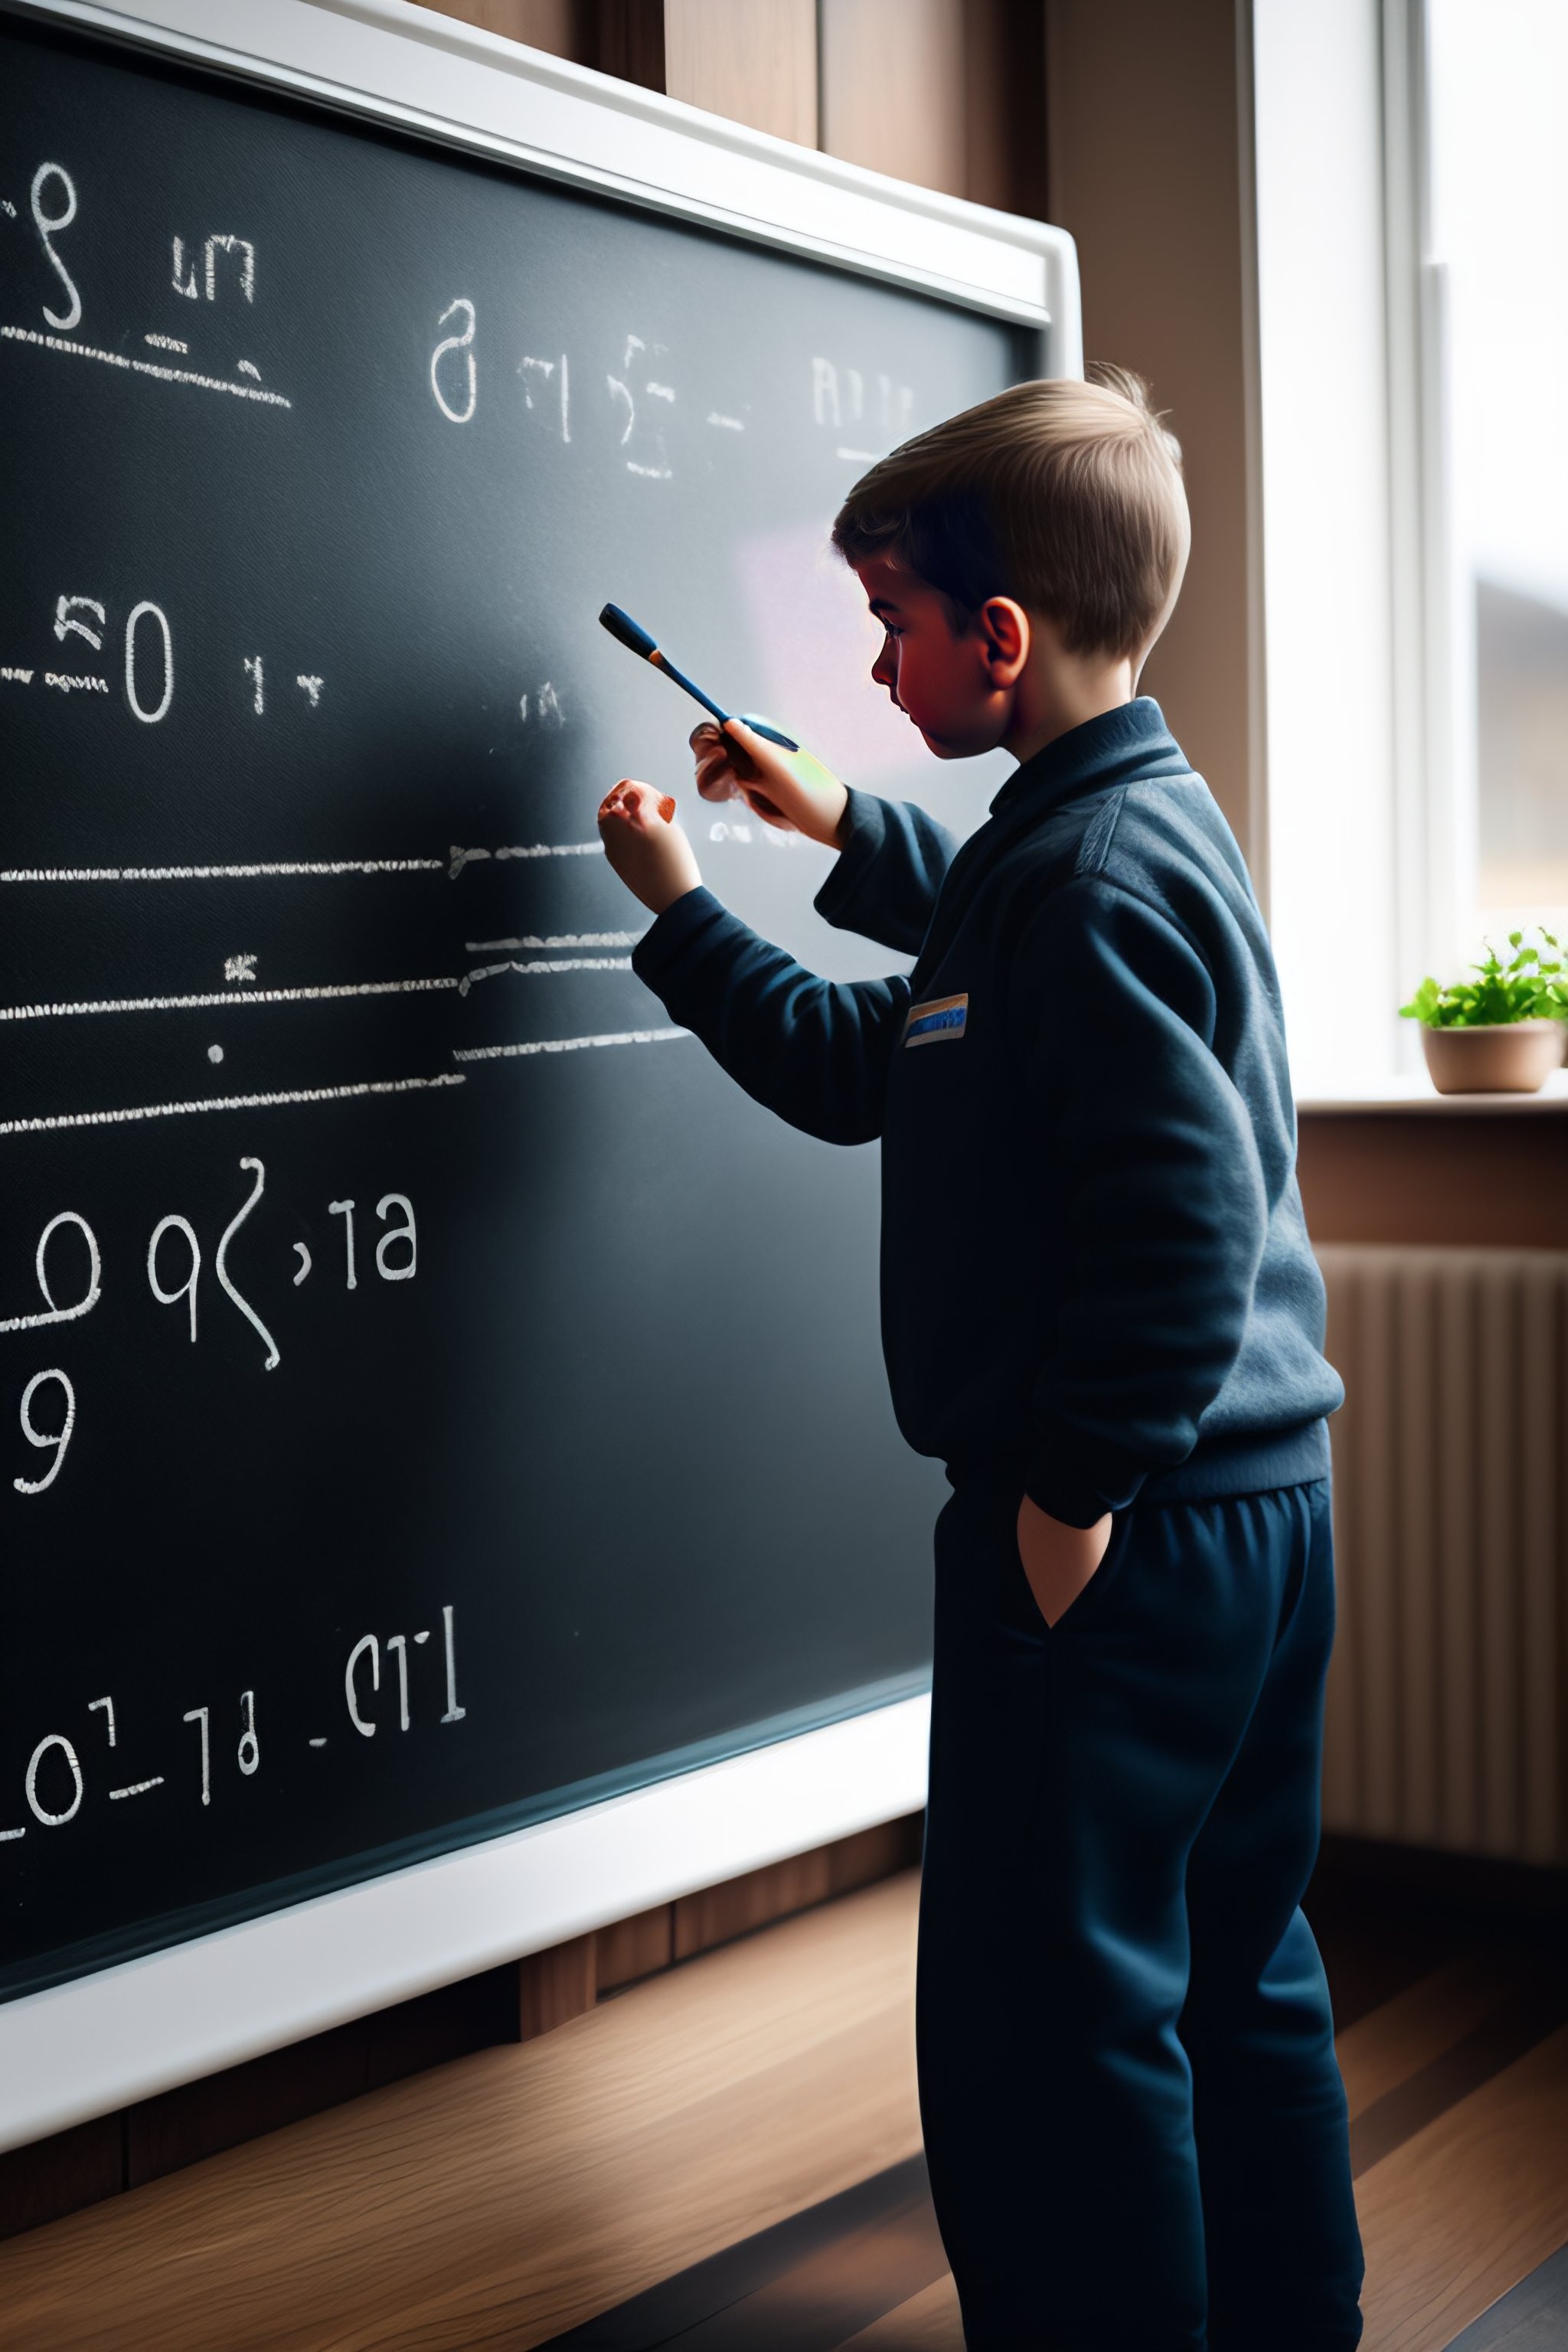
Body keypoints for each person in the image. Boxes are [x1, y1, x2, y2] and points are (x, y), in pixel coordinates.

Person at [596, 366, 1364, 2350]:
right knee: (1228, 1959)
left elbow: (1172, 1223)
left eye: (889, 622)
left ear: (996, 639)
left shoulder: (1076, 882)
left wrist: (1068, 1500)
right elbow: (922, 1036)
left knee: (1049, 2027)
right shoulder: (1128, 829)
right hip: (1261, 1515)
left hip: (1122, 1528)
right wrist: (745, 871)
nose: (867, 655)